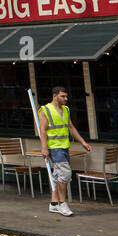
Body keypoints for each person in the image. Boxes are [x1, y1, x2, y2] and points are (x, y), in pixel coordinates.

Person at [38, 85, 91, 216]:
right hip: (54, 147)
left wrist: (83, 142)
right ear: (54, 96)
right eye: (63, 96)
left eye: (66, 96)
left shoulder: (66, 109)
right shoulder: (45, 110)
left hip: (64, 146)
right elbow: (42, 131)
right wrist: (44, 148)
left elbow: (71, 127)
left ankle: (54, 203)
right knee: (65, 175)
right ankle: (62, 203)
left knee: (58, 176)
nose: (66, 98)